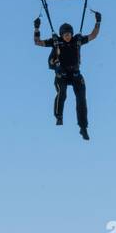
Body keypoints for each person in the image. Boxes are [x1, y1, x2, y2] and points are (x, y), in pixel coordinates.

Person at [34, 10, 100, 140]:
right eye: (65, 34)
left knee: (81, 100)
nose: (68, 36)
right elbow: (37, 42)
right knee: (62, 93)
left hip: (75, 74)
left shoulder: (77, 41)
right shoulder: (56, 42)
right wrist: (36, 28)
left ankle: (83, 127)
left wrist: (98, 22)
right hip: (62, 75)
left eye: (69, 34)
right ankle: (59, 116)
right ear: (61, 35)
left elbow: (93, 35)